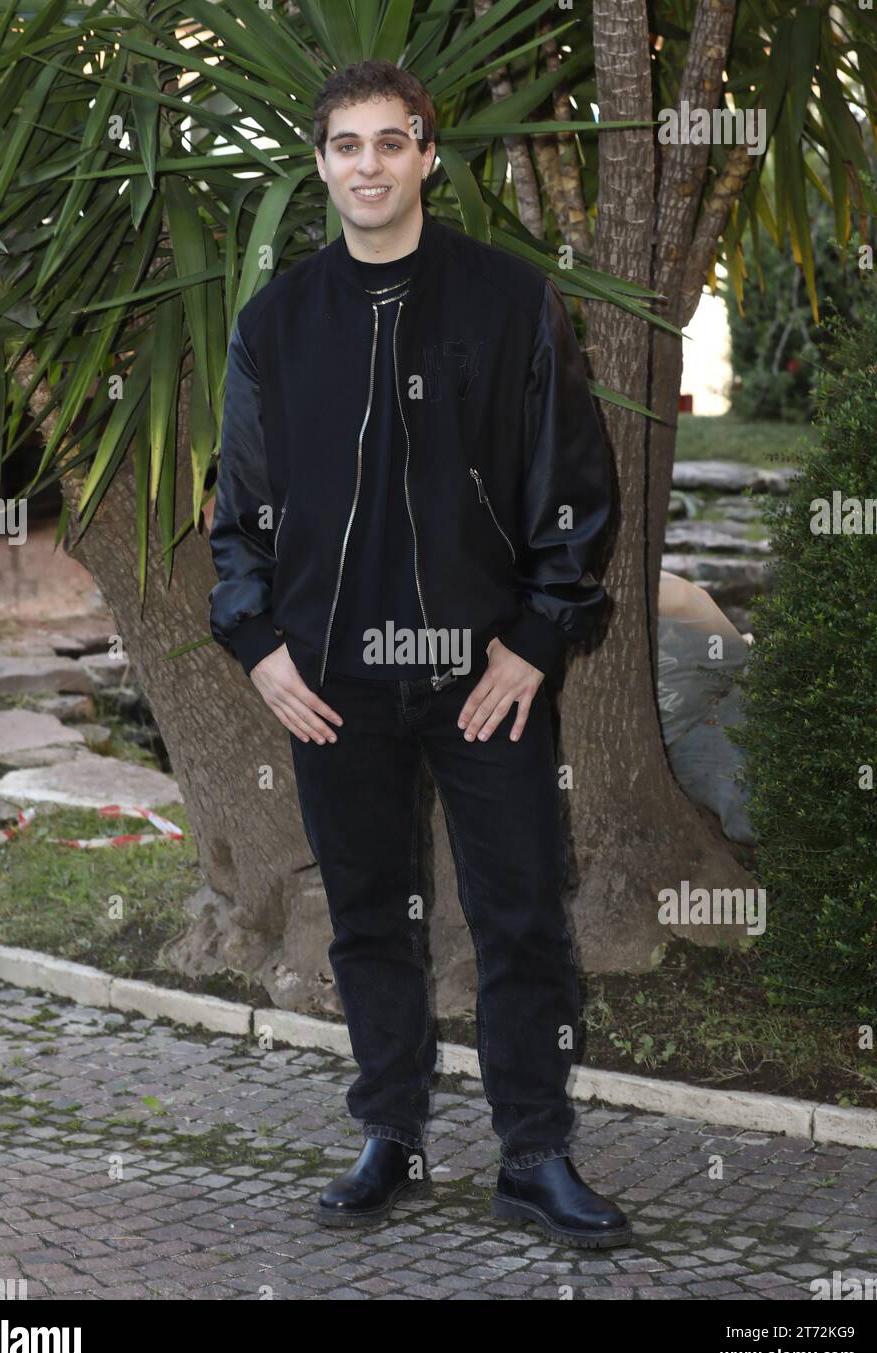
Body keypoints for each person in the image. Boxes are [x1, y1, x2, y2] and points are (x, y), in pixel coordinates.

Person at [207, 59, 631, 1250]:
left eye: (391, 143)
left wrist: (537, 641)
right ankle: (389, 1131)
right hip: (331, 686)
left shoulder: (509, 301)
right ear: (322, 164)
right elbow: (237, 511)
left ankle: (535, 1154)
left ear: (428, 156)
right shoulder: (277, 324)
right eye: (346, 146)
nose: (369, 166)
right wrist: (257, 647)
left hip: (482, 679)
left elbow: (574, 491)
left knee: (521, 917)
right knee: (366, 919)